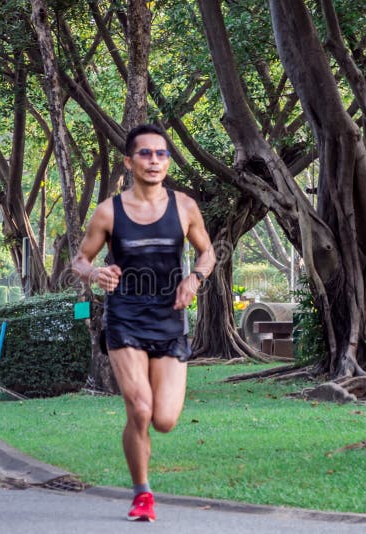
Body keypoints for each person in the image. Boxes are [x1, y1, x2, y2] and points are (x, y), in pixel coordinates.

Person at [71, 123, 215, 522]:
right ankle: (142, 494)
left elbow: (208, 253)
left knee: (164, 419)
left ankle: (144, 472)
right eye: (146, 154)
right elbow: (79, 259)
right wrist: (94, 274)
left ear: (168, 161)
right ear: (129, 162)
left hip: (169, 322)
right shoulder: (109, 211)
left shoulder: (184, 206)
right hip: (125, 320)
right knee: (139, 409)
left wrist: (195, 278)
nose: (154, 161)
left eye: (161, 154)